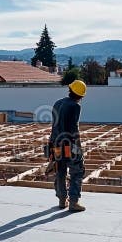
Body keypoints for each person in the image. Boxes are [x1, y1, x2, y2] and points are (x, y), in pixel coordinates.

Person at [48, 79, 87, 211]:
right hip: (68, 145)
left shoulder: (57, 103)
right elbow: (73, 128)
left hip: (56, 144)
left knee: (60, 171)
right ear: (80, 96)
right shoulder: (75, 106)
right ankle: (73, 202)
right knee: (77, 171)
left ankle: (61, 200)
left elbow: (54, 126)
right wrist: (78, 148)